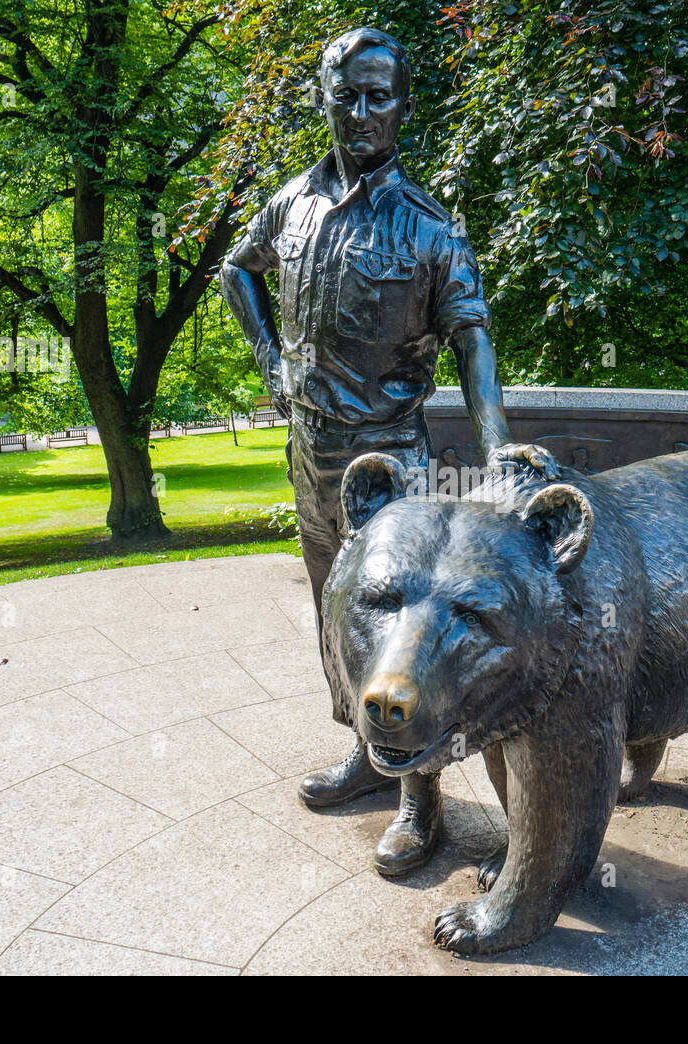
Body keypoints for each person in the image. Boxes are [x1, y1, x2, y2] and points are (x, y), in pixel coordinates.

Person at [220, 27, 559, 877]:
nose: (363, 111)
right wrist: (270, 363)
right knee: (343, 627)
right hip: (309, 454)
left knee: (406, 637)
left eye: (381, 96)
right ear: (325, 99)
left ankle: (420, 802)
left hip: (393, 471)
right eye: (349, 94)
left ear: (404, 107)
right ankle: (370, 763)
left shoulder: (428, 228)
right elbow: (237, 272)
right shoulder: (290, 204)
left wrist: (497, 450)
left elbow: (473, 342)